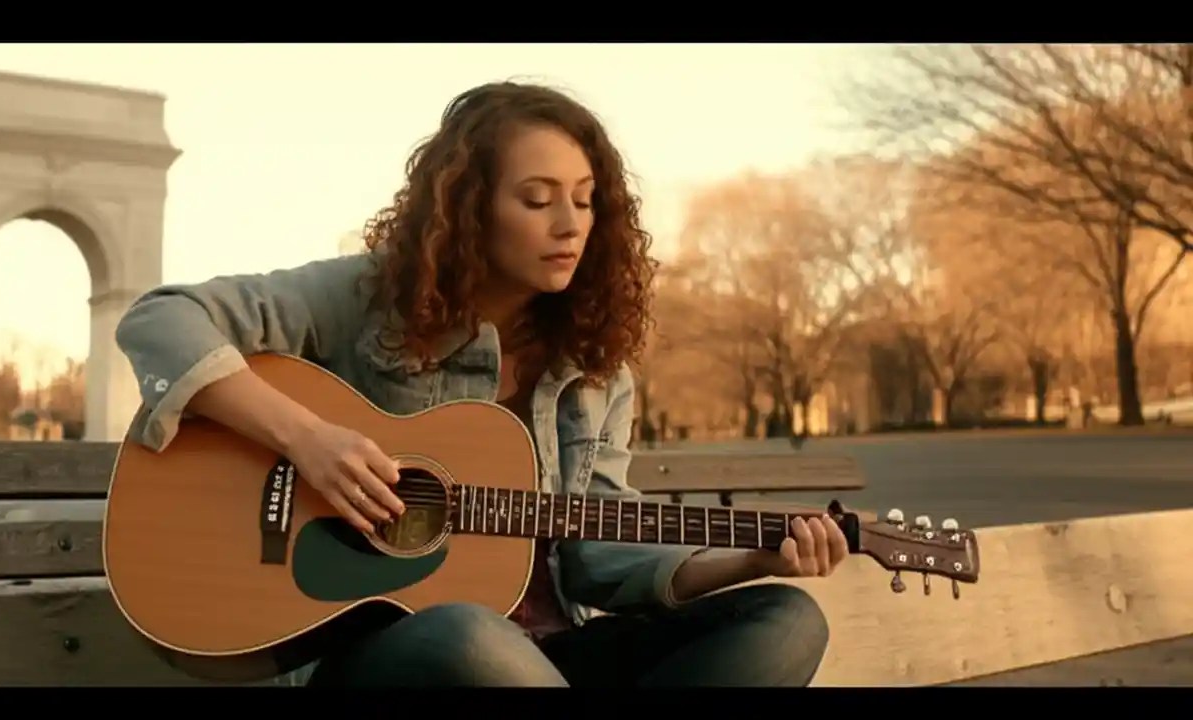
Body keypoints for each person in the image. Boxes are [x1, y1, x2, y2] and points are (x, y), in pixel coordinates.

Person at [114, 80, 848, 687]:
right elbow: (161, 320)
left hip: (549, 658)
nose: (571, 225)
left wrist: (750, 560)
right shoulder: (364, 300)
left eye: (587, 199)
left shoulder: (594, 370)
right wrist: (309, 442)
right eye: (538, 199)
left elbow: (600, 551)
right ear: (468, 209)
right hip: (396, 655)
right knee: (467, 629)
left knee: (784, 619)